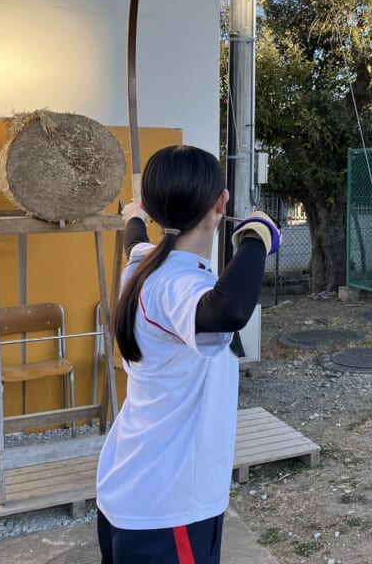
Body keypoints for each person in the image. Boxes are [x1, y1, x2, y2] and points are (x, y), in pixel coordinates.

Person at [96, 144, 279, 564]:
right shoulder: (177, 285)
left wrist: (134, 218)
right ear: (222, 202)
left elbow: (135, 242)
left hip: (136, 492)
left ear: (155, 211)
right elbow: (229, 309)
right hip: (168, 508)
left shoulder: (144, 265)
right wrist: (256, 236)